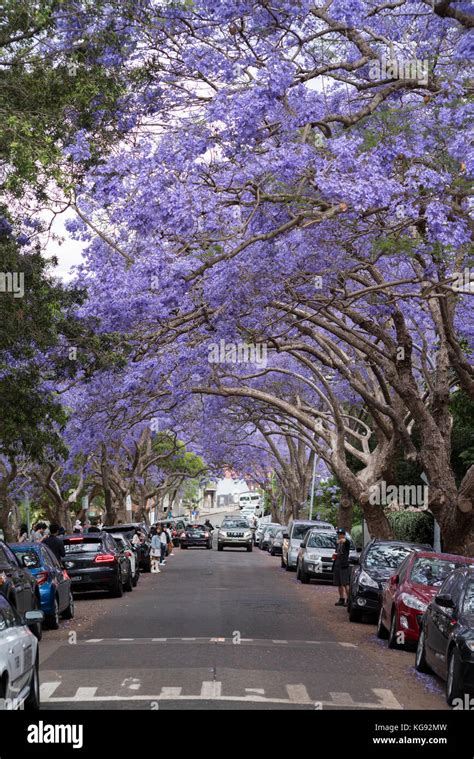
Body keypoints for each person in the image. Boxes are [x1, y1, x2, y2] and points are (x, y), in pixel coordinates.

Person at [333, 528, 351, 606]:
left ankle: (349, 599)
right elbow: (337, 552)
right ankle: (341, 599)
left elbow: (346, 541)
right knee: (339, 583)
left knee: (345, 583)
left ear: (344, 535)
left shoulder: (346, 542)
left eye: (341, 534)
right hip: (337, 564)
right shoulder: (337, 543)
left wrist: (341, 540)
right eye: (338, 534)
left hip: (344, 565)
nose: (339, 536)